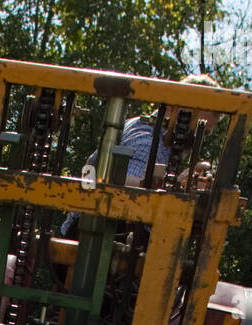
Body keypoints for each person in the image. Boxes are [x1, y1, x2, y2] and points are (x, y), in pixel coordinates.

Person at [60, 73, 222, 237]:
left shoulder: (149, 131)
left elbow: (91, 170)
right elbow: (121, 183)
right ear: (173, 109)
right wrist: (178, 186)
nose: (197, 140)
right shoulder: (148, 140)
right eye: (196, 129)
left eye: (204, 134)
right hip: (97, 233)